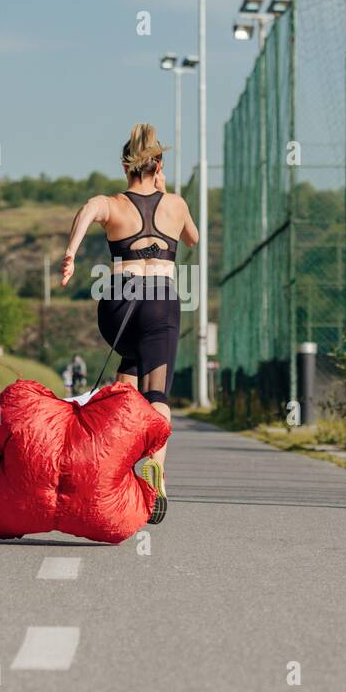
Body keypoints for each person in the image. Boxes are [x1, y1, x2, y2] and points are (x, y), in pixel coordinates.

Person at [60, 123, 199, 523]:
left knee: (127, 384)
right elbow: (192, 239)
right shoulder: (176, 205)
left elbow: (88, 208)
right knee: (157, 396)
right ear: (157, 166)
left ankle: (116, 467)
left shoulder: (113, 203)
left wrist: (71, 253)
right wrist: (166, 187)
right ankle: (155, 472)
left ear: (125, 168)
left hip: (118, 305)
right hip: (159, 302)